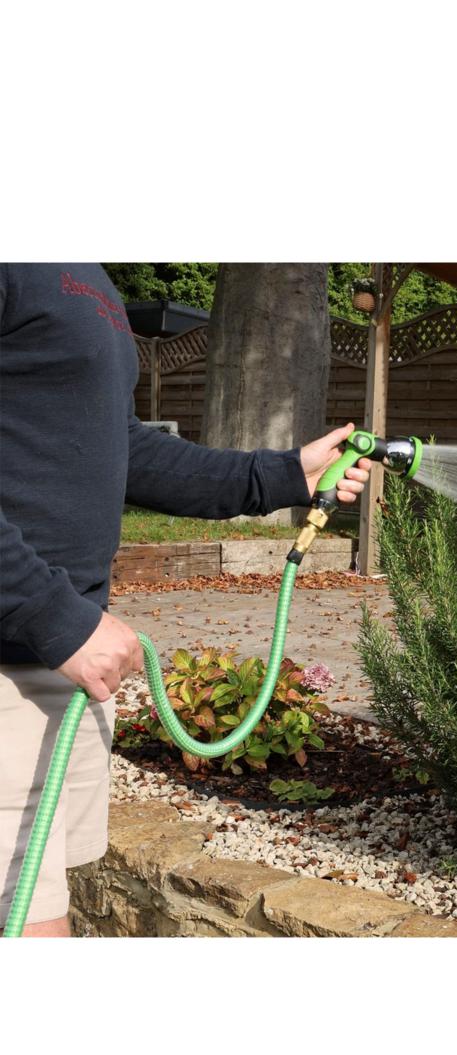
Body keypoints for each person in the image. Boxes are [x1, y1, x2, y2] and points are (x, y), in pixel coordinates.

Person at [0, 263, 371, 937]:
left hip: (55, 665)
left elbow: (120, 448)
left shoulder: (87, 275)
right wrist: (49, 613)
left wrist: (283, 474)